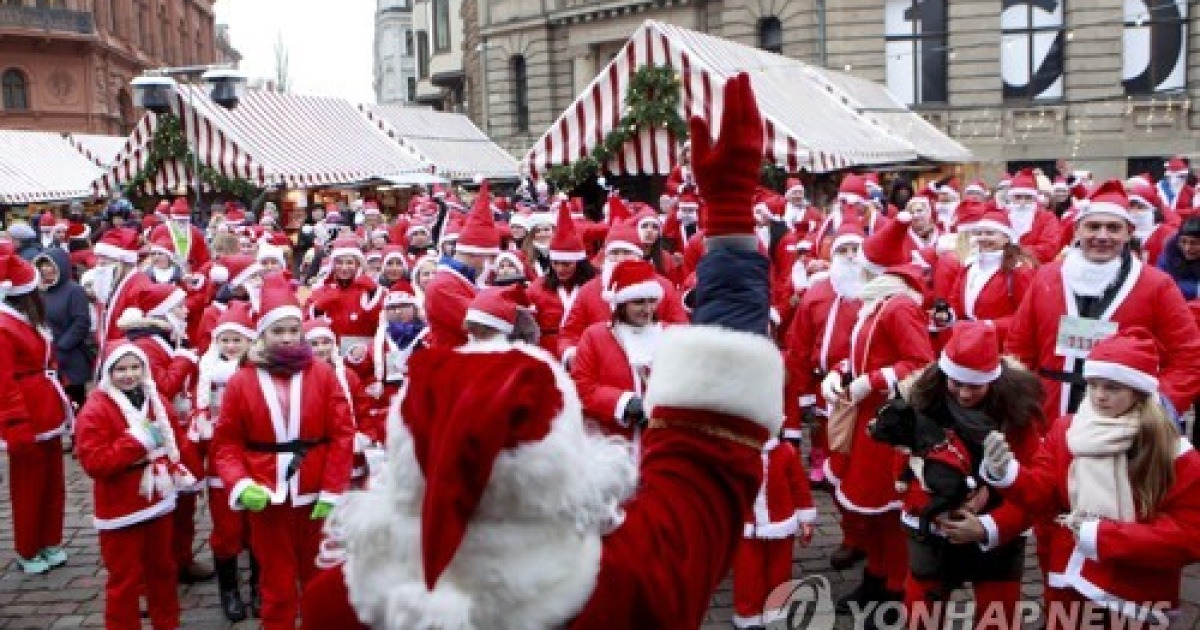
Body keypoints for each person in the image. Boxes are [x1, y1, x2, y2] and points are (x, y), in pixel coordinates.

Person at [299, 72, 792, 630]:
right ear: (557, 457)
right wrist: (729, 218)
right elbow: (714, 446)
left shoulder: (334, 607)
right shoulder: (629, 581)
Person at [982, 328, 1200, 628]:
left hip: (1133, 595)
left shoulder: (1172, 450)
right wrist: (1006, 472)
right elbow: (1043, 493)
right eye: (1093, 384)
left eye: (1111, 387)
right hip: (1070, 582)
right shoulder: (1068, 430)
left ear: (1139, 391)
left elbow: (1188, 535)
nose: (1099, 395)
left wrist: (1102, 536)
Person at [210, 272, 355, 630]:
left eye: (294, 330)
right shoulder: (242, 380)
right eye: (278, 331)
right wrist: (241, 485)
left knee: (320, 579)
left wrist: (334, 489)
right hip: (268, 496)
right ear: (262, 334)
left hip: (316, 492)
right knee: (275, 584)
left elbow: (342, 433)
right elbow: (227, 443)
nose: (287, 338)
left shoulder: (322, 374)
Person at [820, 213, 937, 620]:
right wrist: (838, 374)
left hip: (890, 421)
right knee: (870, 509)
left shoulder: (899, 306)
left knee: (888, 507)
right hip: (867, 419)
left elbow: (922, 363)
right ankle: (876, 574)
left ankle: (892, 586)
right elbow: (855, 353)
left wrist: (870, 381)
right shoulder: (874, 303)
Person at [892, 322, 1044, 629]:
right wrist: (938, 506)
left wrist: (988, 527)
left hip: (997, 524)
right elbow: (905, 470)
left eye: (974, 385)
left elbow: (1035, 487)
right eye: (957, 383)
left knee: (997, 615)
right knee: (922, 611)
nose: (963, 393)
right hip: (935, 524)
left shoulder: (1017, 413)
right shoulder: (921, 403)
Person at [1006, 180, 1200, 420]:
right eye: (1093, 226)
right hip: (1049, 416)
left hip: (1126, 424)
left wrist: (1155, 409)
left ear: (1129, 232)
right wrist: (1022, 404)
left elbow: (1188, 357)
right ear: (1077, 230)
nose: (1102, 236)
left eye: (1113, 228)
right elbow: (1019, 350)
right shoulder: (1046, 277)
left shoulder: (1157, 285)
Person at [75, 341, 199, 630]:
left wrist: (189, 474)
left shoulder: (155, 399)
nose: (129, 375)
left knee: (163, 570)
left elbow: (176, 442)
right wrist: (138, 441)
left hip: (159, 498)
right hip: (120, 506)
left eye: (135, 367)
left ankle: (167, 622)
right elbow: (96, 462)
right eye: (121, 369)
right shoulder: (95, 410)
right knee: (125, 578)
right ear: (107, 372)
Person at [0, 249, 72, 574]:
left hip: (47, 408)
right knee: (28, 487)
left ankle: (49, 540)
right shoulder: (5, 327)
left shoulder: (27, 320)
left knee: (53, 483)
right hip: (28, 412)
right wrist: (14, 424)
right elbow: (4, 381)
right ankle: (27, 547)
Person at [191, 302, 258, 622]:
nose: (231, 346)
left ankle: (259, 586)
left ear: (250, 342)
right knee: (227, 526)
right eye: (225, 340)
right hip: (220, 456)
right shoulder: (206, 374)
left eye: (237, 340)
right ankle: (229, 591)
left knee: (258, 525)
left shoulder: (259, 372)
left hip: (256, 455)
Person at [559, 222, 689, 365]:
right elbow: (569, 334)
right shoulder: (588, 290)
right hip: (604, 368)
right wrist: (572, 353)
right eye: (614, 253)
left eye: (626, 253)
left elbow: (680, 328)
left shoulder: (663, 287)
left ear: (639, 257)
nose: (620, 259)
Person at [571, 260, 668, 442]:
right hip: (613, 443)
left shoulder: (670, 335)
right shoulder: (595, 336)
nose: (648, 310)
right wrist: (624, 402)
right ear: (622, 303)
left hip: (659, 444)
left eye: (652, 301)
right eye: (639, 302)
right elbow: (582, 387)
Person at [732, 434, 816, 629]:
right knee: (748, 572)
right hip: (747, 526)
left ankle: (776, 610)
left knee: (780, 571)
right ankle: (748, 614)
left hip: (781, 524)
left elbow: (799, 487)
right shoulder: (735, 454)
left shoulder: (786, 452)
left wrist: (805, 519)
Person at [423, 183, 499, 350]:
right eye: (491, 257)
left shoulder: (464, 280)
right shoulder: (443, 286)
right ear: (475, 254)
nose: (493, 264)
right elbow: (480, 324)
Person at [946, 208, 1036, 346]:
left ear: (1006, 237)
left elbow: (1026, 316)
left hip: (999, 345)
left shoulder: (1018, 271)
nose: (983, 238)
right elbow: (955, 300)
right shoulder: (970, 265)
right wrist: (947, 315)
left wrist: (990, 326)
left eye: (990, 233)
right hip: (968, 341)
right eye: (979, 233)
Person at [529, 203, 596, 357]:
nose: (560, 269)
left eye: (566, 264)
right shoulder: (538, 287)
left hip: (586, 350)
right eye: (555, 263)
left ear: (579, 263)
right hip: (548, 355)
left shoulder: (595, 286)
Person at [34, 250, 94, 410]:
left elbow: (81, 322)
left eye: (49, 265)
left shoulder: (74, 290)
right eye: (43, 265)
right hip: (46, 358)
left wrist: (62, 346)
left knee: (75, 405)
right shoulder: (38, 291)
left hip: (70, 357)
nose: (45, 269)